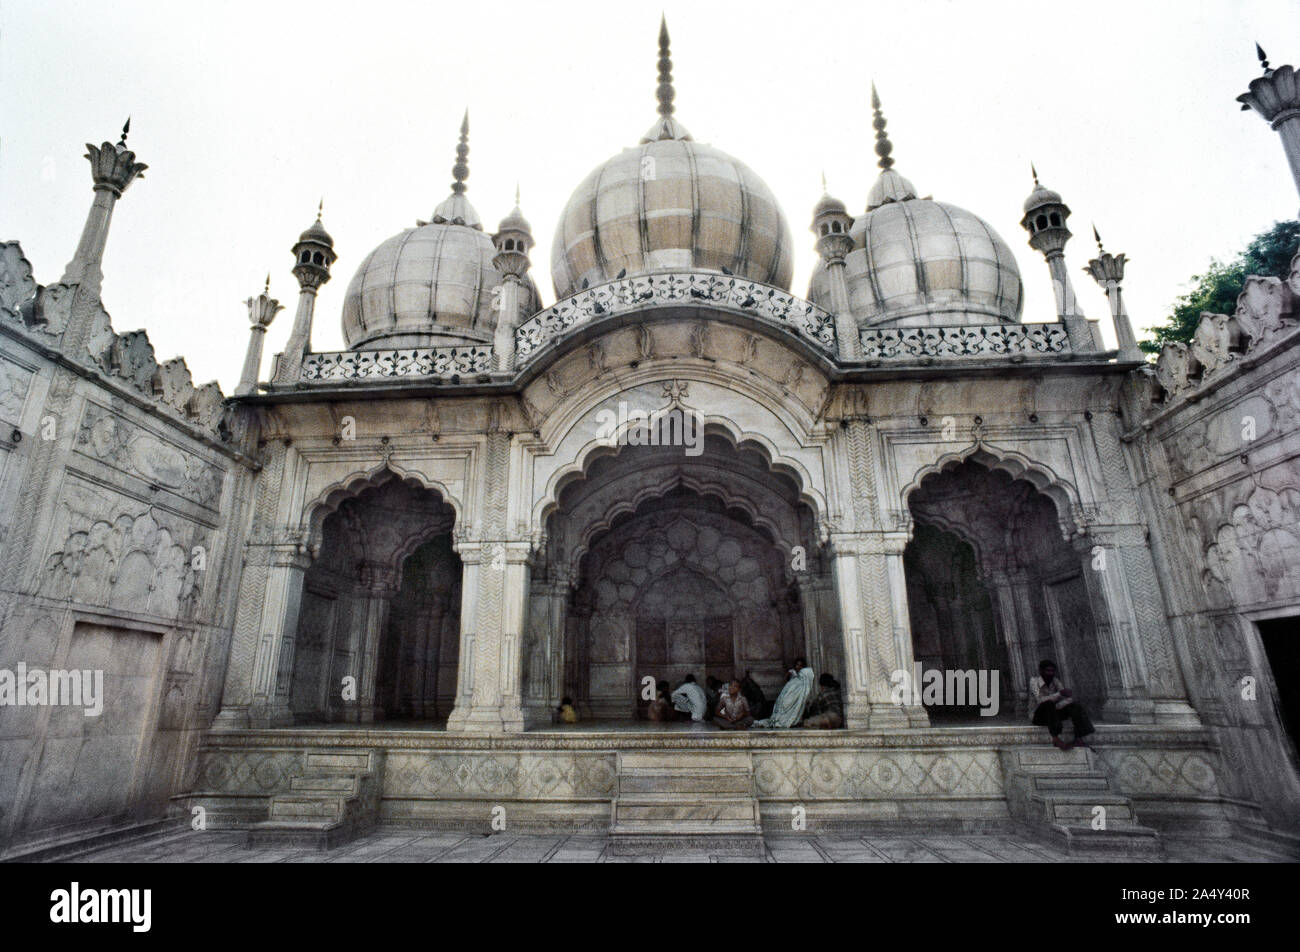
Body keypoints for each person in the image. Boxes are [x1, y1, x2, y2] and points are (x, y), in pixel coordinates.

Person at [1029, 659, 1095, 749]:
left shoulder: (1055, 681)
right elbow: (1040, 700)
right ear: (1041, 671)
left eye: (1052, 671)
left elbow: (1067, 699)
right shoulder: (1034, 681)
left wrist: (1063, 701)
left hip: (1053, 714)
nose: (1050, 673)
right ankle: (1056, 739)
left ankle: (1079, 738)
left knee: (1075, 706)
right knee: (1048, 704)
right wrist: (1059, 695)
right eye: (1048, 671)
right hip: (1039, 716)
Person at [753, 658, 815, 728]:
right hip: (789, 693)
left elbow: (803, 686)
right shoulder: (794, 676)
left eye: (800, 665)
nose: (798, 667)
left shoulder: (804, 676)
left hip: (795, 695)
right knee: (783, 704)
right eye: (797, 665)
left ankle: (787, 720)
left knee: (788, 704)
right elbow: (788, 682)